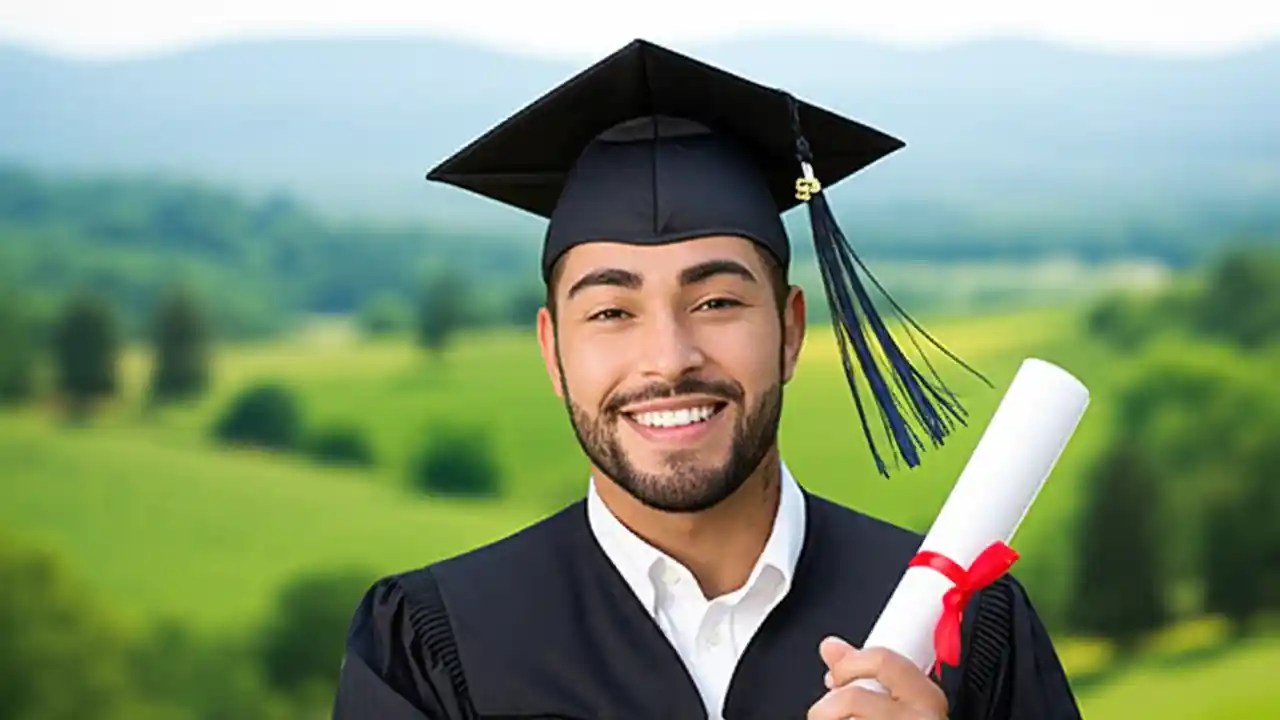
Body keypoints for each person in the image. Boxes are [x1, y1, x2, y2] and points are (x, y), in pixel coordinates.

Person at [332, 39, 1081, 719]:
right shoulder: (437, 648)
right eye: (611, 312)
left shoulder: (965, 633)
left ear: (790, 331)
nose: (669, 357)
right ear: (551, 350)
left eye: (717, 302)